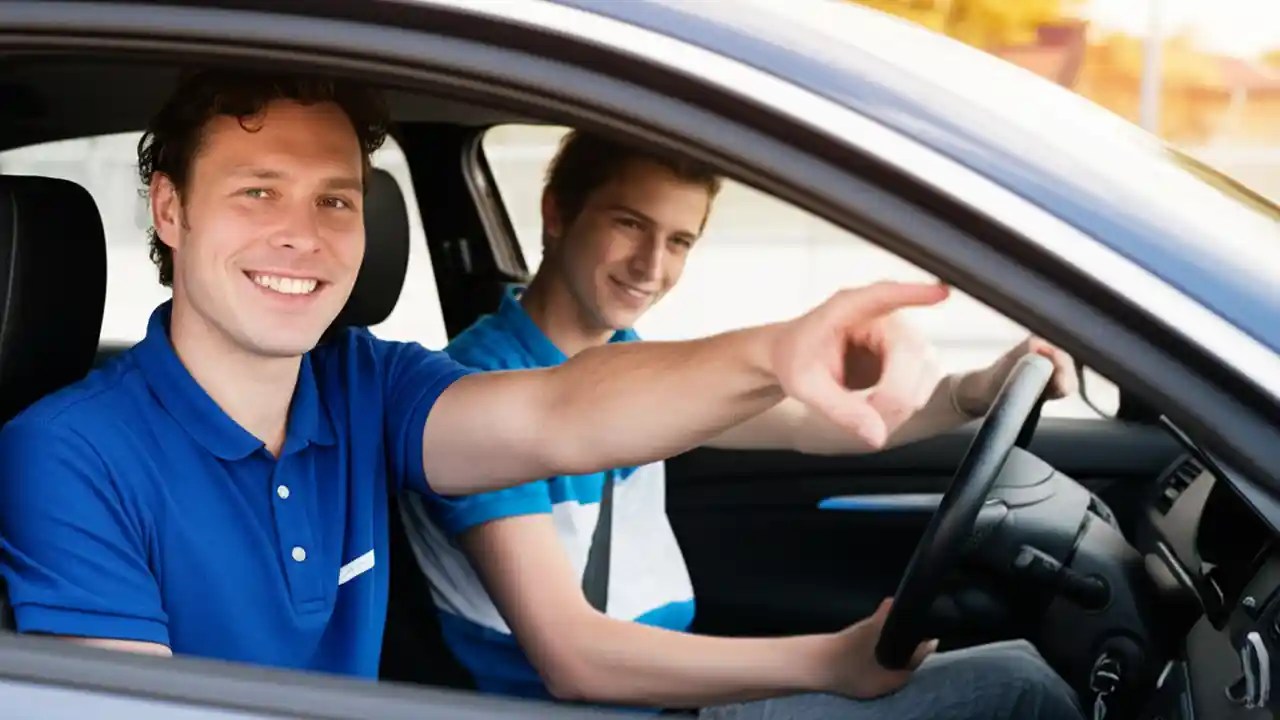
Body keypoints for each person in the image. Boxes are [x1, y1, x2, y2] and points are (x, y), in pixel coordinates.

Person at [0, 70, 956, 678]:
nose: (303, 233)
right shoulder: (69, 452)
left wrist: (778, 351)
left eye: (336, 198)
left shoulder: (365, 384)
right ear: (170, 211)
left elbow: (558, 412)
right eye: (258, 192)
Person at [402, 131, 1085, 719]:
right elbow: (572, 660)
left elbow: (815, 424)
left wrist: (974, 392)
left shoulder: (626, 363)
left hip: (665, 695)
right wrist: (830, 661)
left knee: (1018, 672)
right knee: (1022, 691)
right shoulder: (480, 393)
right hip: (591, 707)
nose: (652, 267)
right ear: (556, 214)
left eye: (680, 241)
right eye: (630, 225)